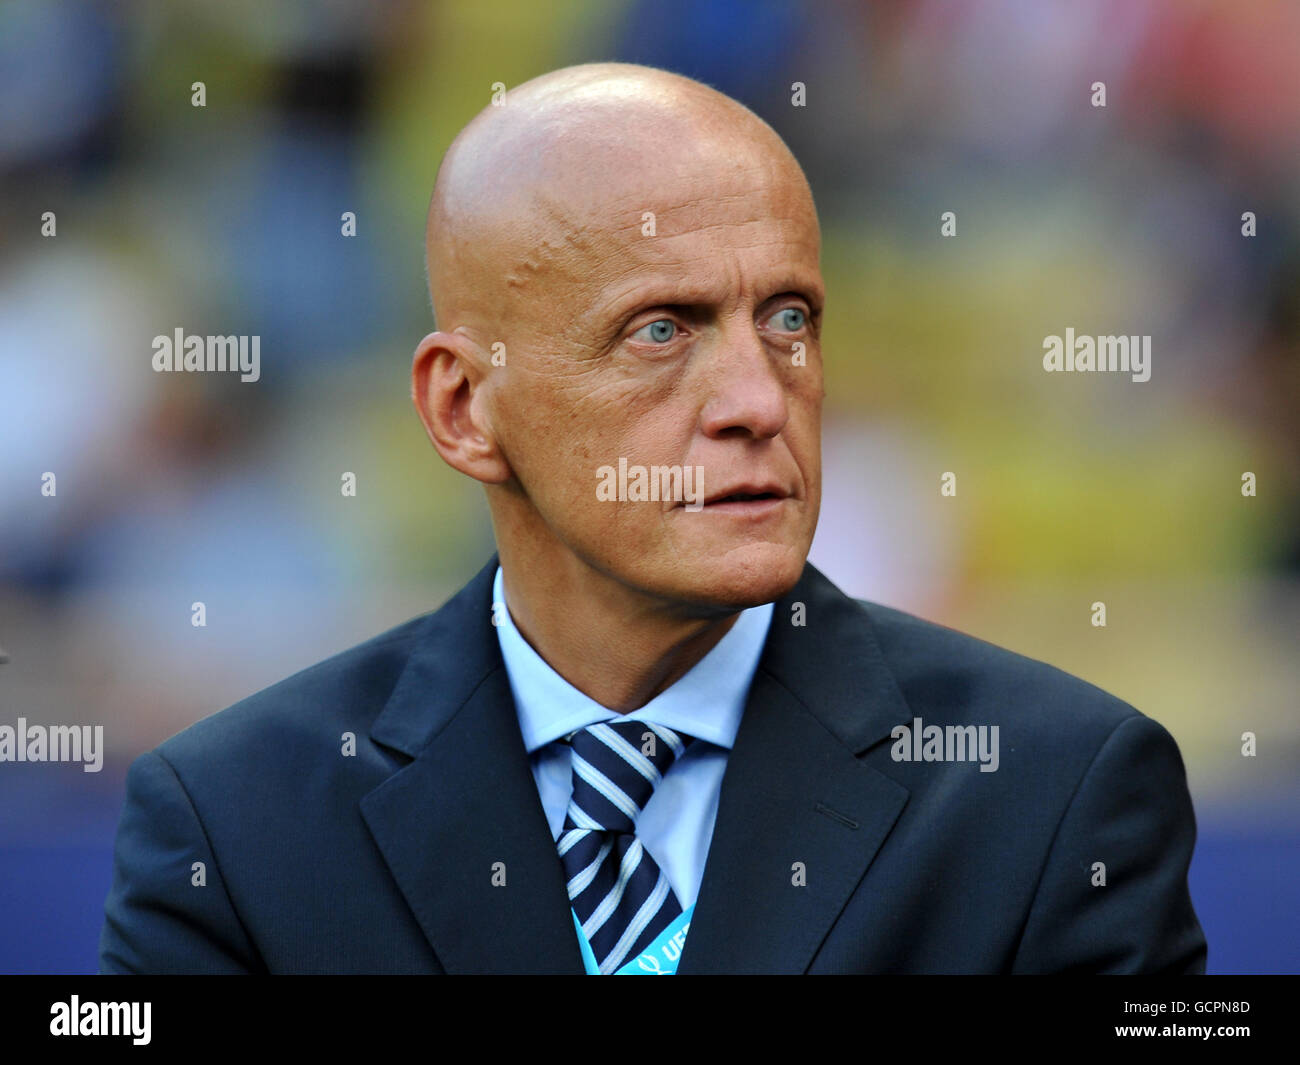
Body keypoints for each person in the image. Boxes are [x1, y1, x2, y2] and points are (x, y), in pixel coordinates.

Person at [99, 62, 1207, 974]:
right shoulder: (235, 830)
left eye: (787, 317)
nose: (759, 400)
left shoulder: (1054, 792)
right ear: (464, 408)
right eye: (661, 331)